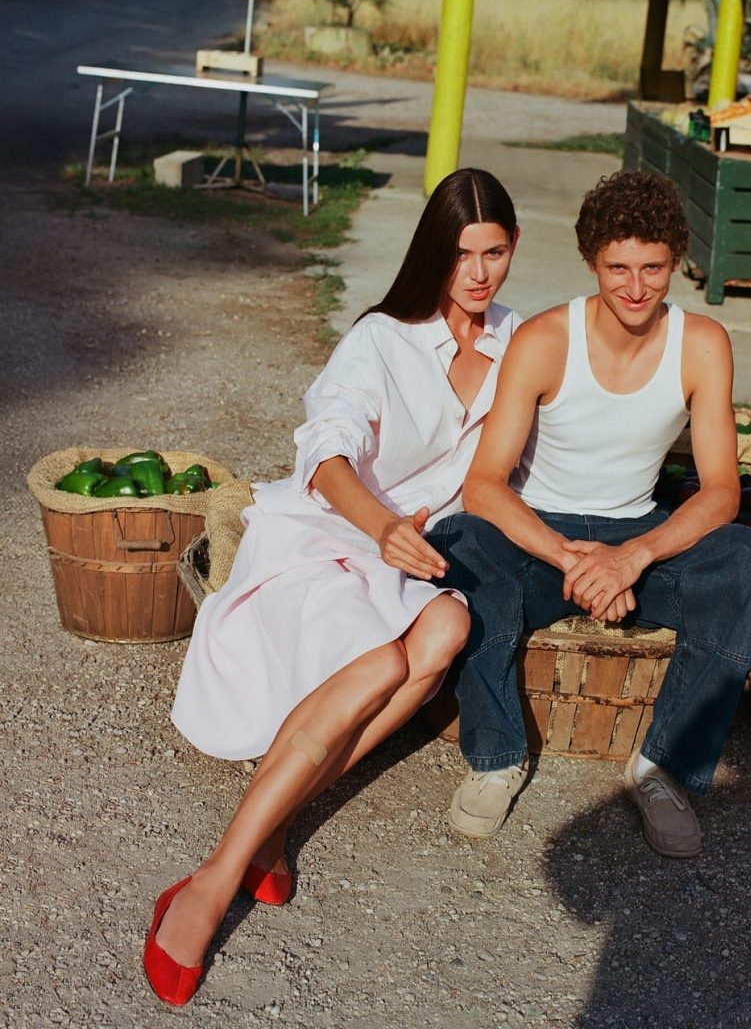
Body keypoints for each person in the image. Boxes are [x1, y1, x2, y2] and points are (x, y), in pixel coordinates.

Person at [144, 168, 522, 1006]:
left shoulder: (518, 345)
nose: (478, 273)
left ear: (513, 251)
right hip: (332, 535)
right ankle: (215, 875)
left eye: (494, 252)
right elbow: (325, 453)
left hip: (415, 555)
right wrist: (380, 525)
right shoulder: (382, 339)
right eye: (462, 254)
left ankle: (273, 828)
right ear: (435, 252)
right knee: (385, 667)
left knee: (446, 633)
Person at [427, 170, 751, 860]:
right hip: (541, 535)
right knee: (461, 545)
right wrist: (571, 557)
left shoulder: (702, 343)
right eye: (617, 267)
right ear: (591, 261)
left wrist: (635, 556)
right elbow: (485, 484)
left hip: (636, 531)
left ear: (676, 260)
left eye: (653, 267)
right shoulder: (543, 340)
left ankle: (663, 767)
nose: (635, 286)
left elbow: (721, 490)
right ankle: (497, 754)